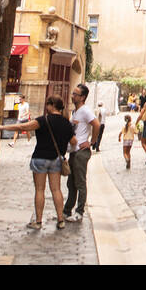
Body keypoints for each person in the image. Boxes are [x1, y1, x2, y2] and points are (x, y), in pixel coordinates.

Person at [0, 95, 73, 229]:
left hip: (40, 157)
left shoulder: (43, 120)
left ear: (51, 105)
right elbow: (73, 142)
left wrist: (1, 128)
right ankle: (60, 219)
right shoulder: (66, 123)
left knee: (40, 190)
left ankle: (39, 221)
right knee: (56, 189)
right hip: (56, 160)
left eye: (47, 105)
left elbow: (23, 126)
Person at [64, 84, 99, 221]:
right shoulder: (75, 112)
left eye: (76, 94)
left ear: (83, 97)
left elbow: (96, 124)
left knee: (80, 182)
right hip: (73, 151)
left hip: (80, 152)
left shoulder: (85, 111)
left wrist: (91, 142)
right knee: (71, 182)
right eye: (73, 93)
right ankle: (67, 210)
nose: (73, 96)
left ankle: (79, 212)